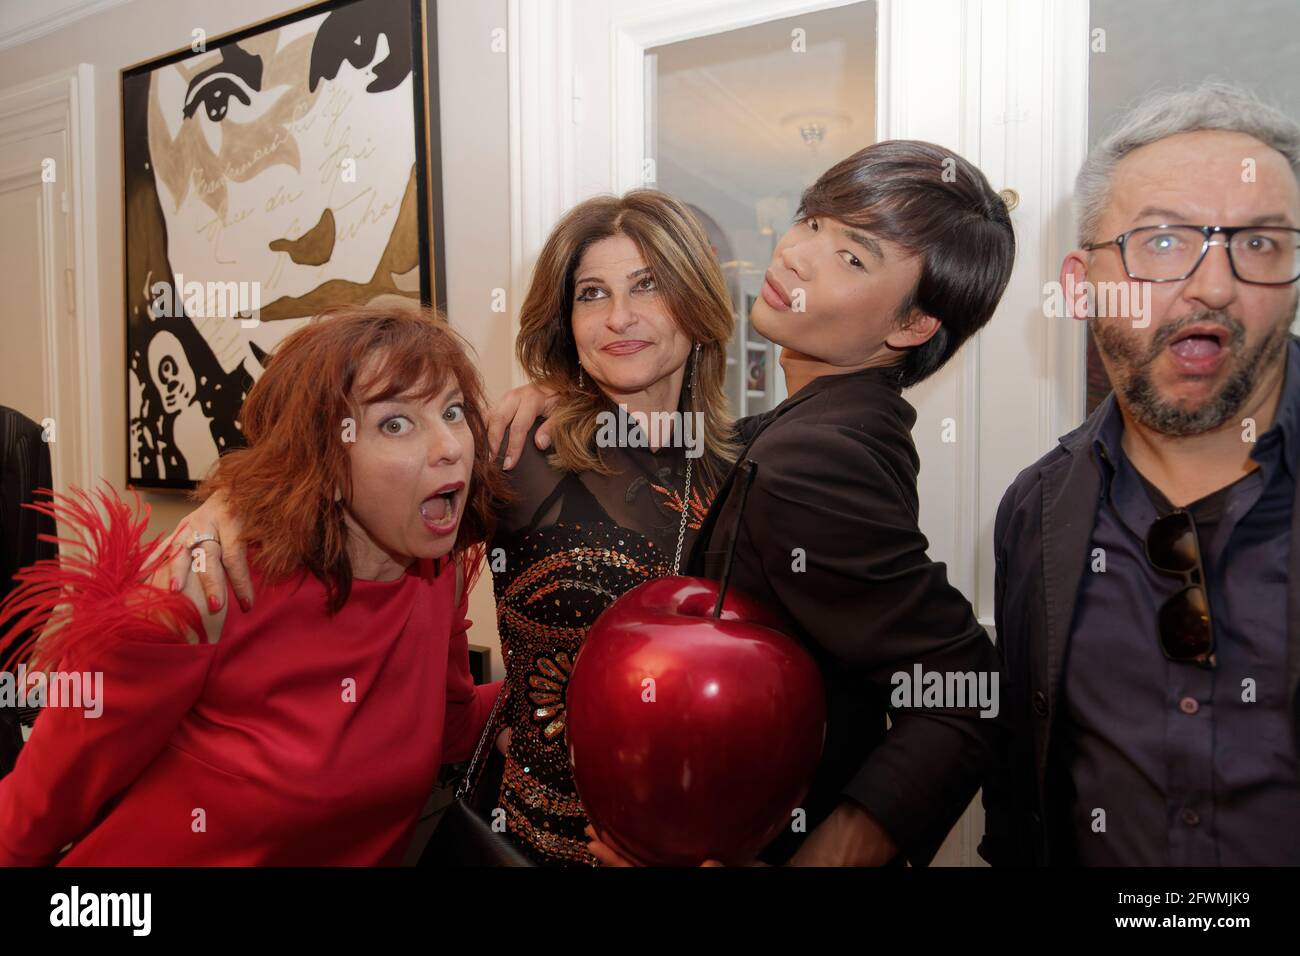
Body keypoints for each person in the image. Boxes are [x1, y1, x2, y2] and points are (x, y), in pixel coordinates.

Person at [169, 191, 740, 866]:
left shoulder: (745, 464)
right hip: (519, 839)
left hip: (681, 835)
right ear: (566, 320)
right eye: (591, 293)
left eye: (647, 285)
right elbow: (339, 483)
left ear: (697, 302)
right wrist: (224, 507)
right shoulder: (520, 451)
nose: (618, 316)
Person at [513, 141, 1014, 866]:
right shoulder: (809, 427)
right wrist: (559, 398)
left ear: (910, 326)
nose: (796, 256)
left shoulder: (817, 457)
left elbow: (963, 691)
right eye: (812, 221)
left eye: (852, 256)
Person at [0, 304, 503, 865]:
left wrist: (565, 676)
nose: (451, 446)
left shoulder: (441, 572)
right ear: (325, 461)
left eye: (453, 411)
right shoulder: (207, 585)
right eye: (395, 423)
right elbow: (37, 808)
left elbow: (452, 730)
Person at [981, 82, 1300, 866]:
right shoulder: (1036, 511)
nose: (1215, 285)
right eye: (1161, 241)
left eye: (1259, 244)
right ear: (1081, 285)